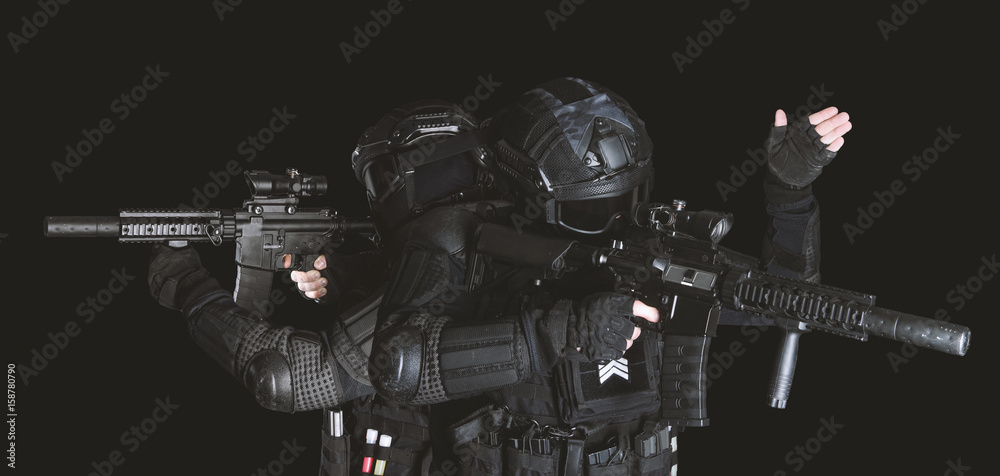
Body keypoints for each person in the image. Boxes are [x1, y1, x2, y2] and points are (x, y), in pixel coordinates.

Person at [302, 77, 850, 475]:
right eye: (589, 210)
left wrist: (790, 193)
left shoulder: (658, 263)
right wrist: (562, 330)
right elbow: (400, 357)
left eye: (628, 200)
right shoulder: (480, 257)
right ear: (531, 201)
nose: (614, 221)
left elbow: (789, 298)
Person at [147, 98, 499, 476]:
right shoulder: (489, 252)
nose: (377, 199)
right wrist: (346, 277)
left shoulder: (455, 270)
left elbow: (284, 376)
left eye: (382, 180)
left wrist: (188, 287)